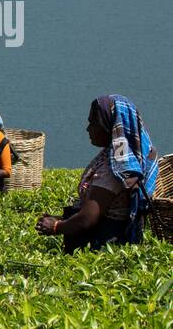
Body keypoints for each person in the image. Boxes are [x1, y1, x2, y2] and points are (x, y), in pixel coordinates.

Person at [36, 95, 158, 252]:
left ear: (109, 126)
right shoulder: (116, 155)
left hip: (102, 245)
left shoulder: (115, 170)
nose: (88, 129)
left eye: (93, 123)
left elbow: (88, 218)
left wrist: (56, 226)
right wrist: (62, 220)